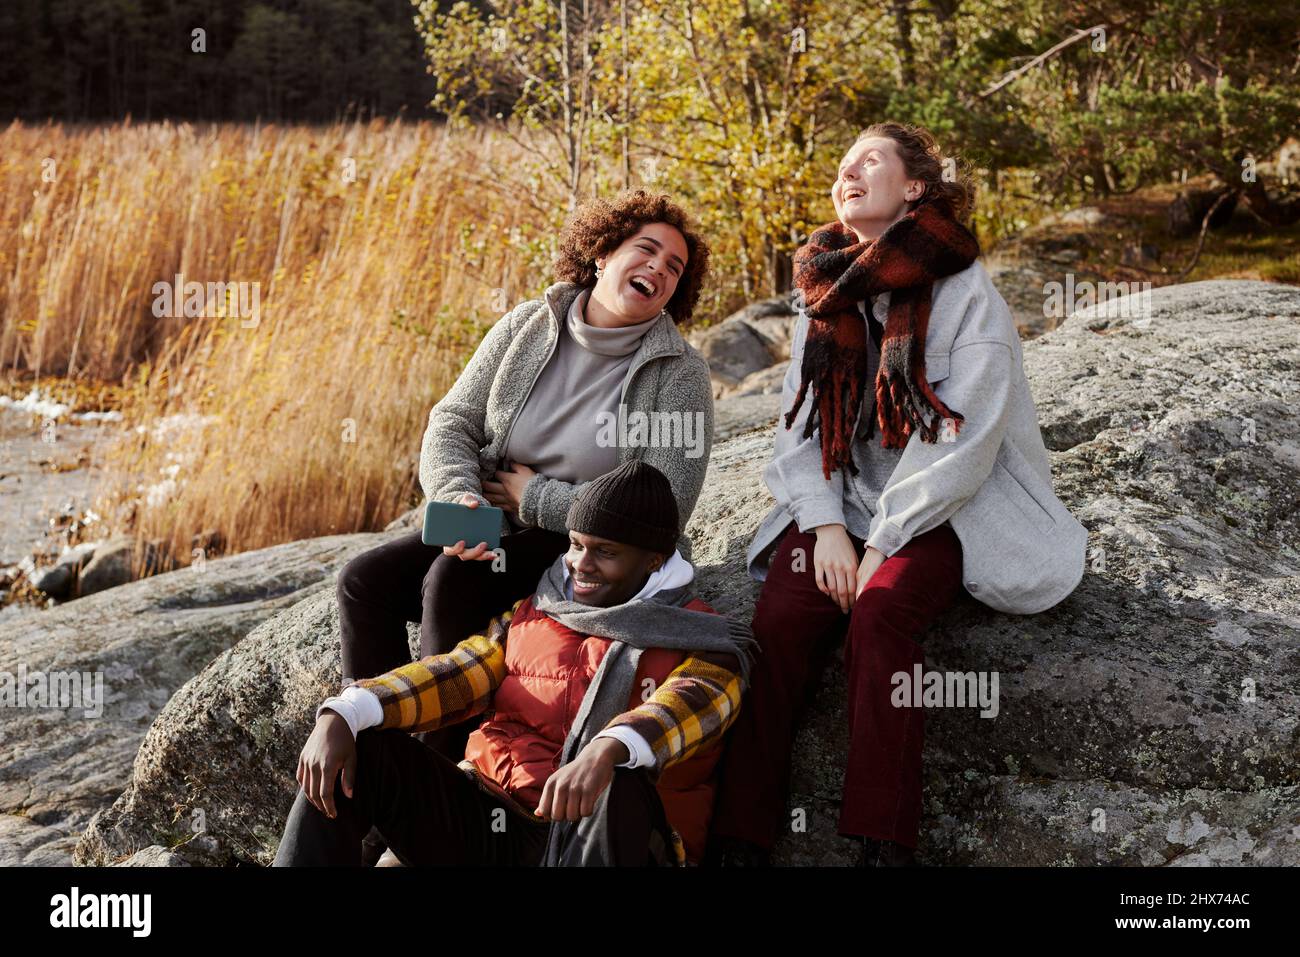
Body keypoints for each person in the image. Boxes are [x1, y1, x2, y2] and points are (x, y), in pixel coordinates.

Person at [706, 122, 1088, 867]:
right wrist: (823, 528)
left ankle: (885, 842)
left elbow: (964, 437)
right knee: (779, 619)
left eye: (868, 162)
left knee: (880, 612)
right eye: (841, 164)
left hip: (951, 505)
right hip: (845, 504)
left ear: (914, 186)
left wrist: (881, 540)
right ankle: (737, 838)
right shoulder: (824, 286)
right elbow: (799, 427)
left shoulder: (965, 288)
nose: (847, 173)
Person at [333, 189, 714, 830]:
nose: (660, 268)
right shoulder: (527, 325)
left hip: (580, 542)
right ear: (602, 254)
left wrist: (536, 498)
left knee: (452, 582)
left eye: (675, 266)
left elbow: (666, 508)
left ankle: (435, 784)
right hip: (486, 510)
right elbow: (453, 418)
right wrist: (456, 491)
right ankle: (375, 752)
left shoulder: (680, 375)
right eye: (646, 249)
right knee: (362, 581)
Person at [273, 461, 753, 867]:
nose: (582, 565)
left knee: (621, 780)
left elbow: (684, 710)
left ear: (654, 560)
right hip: (493, 817)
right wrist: (348, 710)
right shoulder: (536, 609)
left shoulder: (706, 641)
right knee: (366, 749)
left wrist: (608, 748)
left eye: (605, 552)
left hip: (599, 840)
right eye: (577, 544)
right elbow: (458, 673)